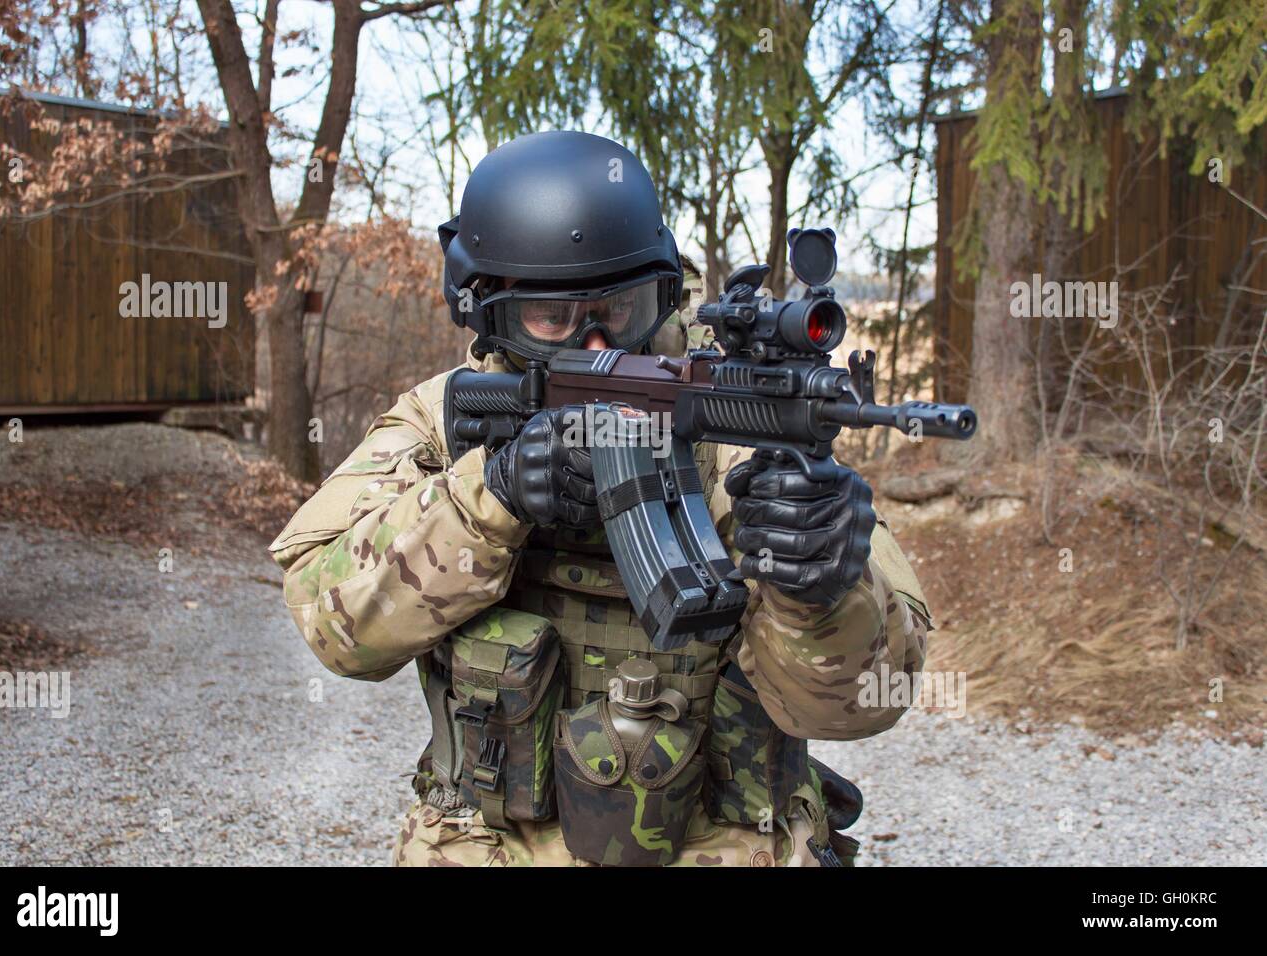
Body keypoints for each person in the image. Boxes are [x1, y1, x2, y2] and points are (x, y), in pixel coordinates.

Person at [269, 130, 932, 866]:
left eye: (619, 311)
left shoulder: (737, 433)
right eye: (553, 319)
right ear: (491, 316)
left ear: (664, 295)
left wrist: (825, 593)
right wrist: (488, 496)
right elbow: (330, 626)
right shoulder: (444, 423)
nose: (594, 348)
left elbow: (865, 701)